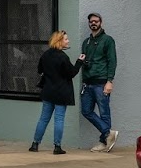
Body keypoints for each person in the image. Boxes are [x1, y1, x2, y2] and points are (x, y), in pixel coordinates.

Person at [30, 30, 83, 155]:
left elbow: (40, 70)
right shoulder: (63, 57)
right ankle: (57, 146)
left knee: (43, 119)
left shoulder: (45, 55)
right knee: (59, 119)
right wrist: (79, 62)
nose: (68, 41)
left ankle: (35, 144)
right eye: (65, 39)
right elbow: (71, 73)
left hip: (48, 91)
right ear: (59, 41)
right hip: (61, 93)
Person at [80, 12, 119, 153]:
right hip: (87, 83)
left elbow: (112, 61)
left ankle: (104, 143)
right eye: (91, 21)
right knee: (86, 111)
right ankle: (108, 133)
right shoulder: (86, 42)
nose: (93, 23)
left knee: (104, 113)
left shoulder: (108, 40)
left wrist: (109, 81)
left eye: (96, 21)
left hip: (101, 82)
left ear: (101, 22)